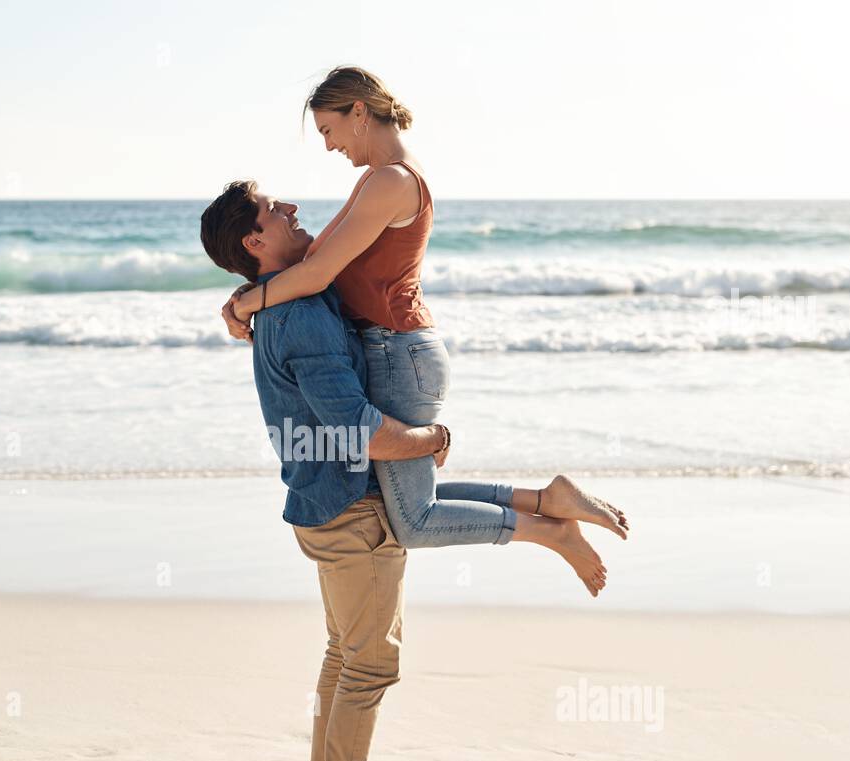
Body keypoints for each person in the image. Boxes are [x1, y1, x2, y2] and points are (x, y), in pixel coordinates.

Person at [200, 180, 616, 761]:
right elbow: (356, 428)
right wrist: (430, 440)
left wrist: (244, 298)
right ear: (254, 240)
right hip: (348, 509)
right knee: (370, 665)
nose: (292, 209)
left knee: (344, 657)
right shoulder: (299, 314)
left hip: (325, 502)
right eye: (275, 209)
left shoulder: (287, 300)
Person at [220, 67, 628, 596]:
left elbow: (316, 274)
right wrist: (243, 297)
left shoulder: (392, 181)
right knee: (407, 497)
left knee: (413, 519)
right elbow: (313, 261)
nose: (328, 146)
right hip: (396, 348)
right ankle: (547, 501)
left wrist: (249, 301)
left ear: (359, 113)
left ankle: (550, 532)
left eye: (328, 130)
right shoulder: (377, 178)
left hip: (398, 351)